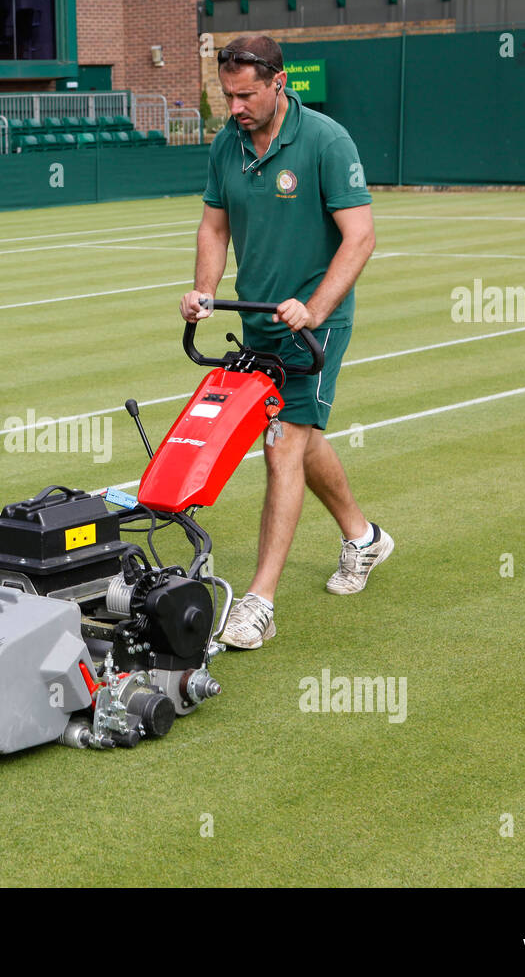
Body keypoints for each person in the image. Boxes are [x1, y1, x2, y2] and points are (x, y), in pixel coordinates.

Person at [179, 34, 393, 650]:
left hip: (317, 324)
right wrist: (203, 290)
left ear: (278, 82)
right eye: (227, 96)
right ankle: (363, 536)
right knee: (304, 436)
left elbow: (360, 237)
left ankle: (259, 601)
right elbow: (214, 226)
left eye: (246, 94)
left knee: (281, 446)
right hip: (256, 321)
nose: (235, 106)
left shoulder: (325, 140)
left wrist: (316, 307)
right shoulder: (227, 144)